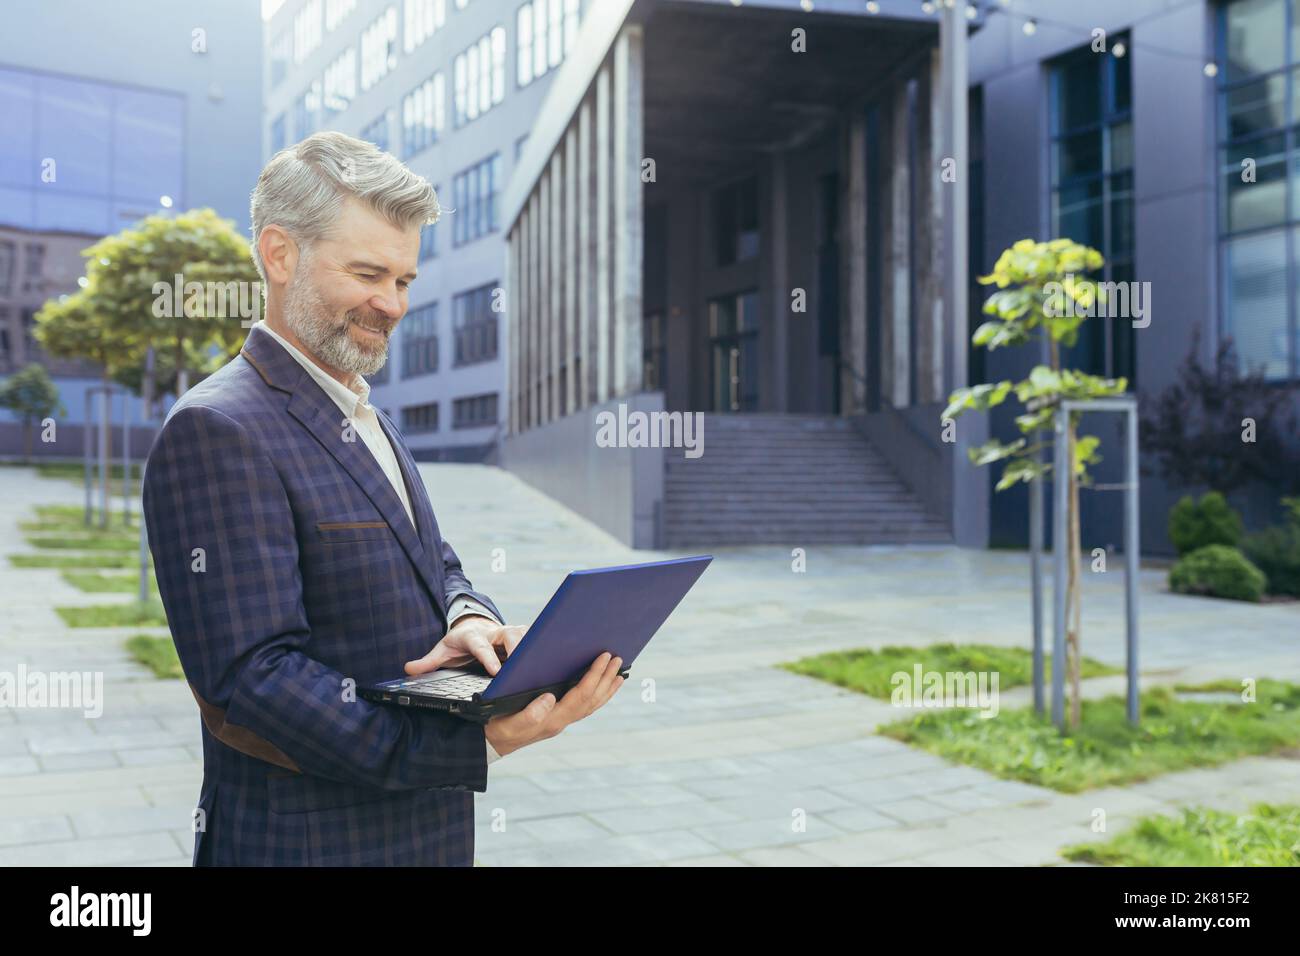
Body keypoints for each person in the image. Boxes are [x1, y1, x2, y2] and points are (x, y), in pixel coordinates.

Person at [142, 131, 624, 866]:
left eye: (404, 281)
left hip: (421, 837)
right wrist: (478, 739)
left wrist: (467, 617)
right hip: (311, 844)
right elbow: (252, 680)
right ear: (279, 255)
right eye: (368, 273)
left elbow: (433, 561)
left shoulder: (364, 415)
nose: (391, 305)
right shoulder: (218, 428)